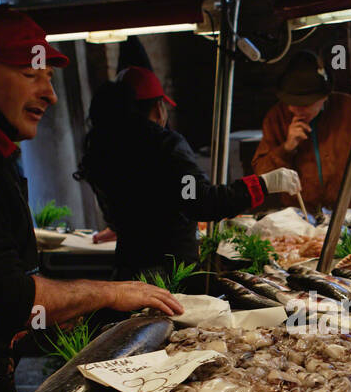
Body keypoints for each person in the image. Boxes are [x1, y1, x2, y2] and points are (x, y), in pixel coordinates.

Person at [0, 11, 183, 392]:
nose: (49, 94)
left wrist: (67, 315)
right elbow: (0, 295)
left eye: (50, 78)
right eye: (32, 74)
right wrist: (107, 293)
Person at [75, 67, 299, 279]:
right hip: (170, 275)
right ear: (157, 108)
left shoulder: (103, 147)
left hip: (128, 271)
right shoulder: (163, 145)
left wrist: (123, 227)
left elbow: (133, 204)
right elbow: (200, 200)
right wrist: (263, 184)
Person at [252, 51, 351, 213]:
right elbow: (261, 175)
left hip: (350, 214)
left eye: (304, 104)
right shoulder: (276, 118)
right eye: (290, 102)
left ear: (324, 96)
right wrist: (286, 148)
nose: (294, 109)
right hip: (302, 216)